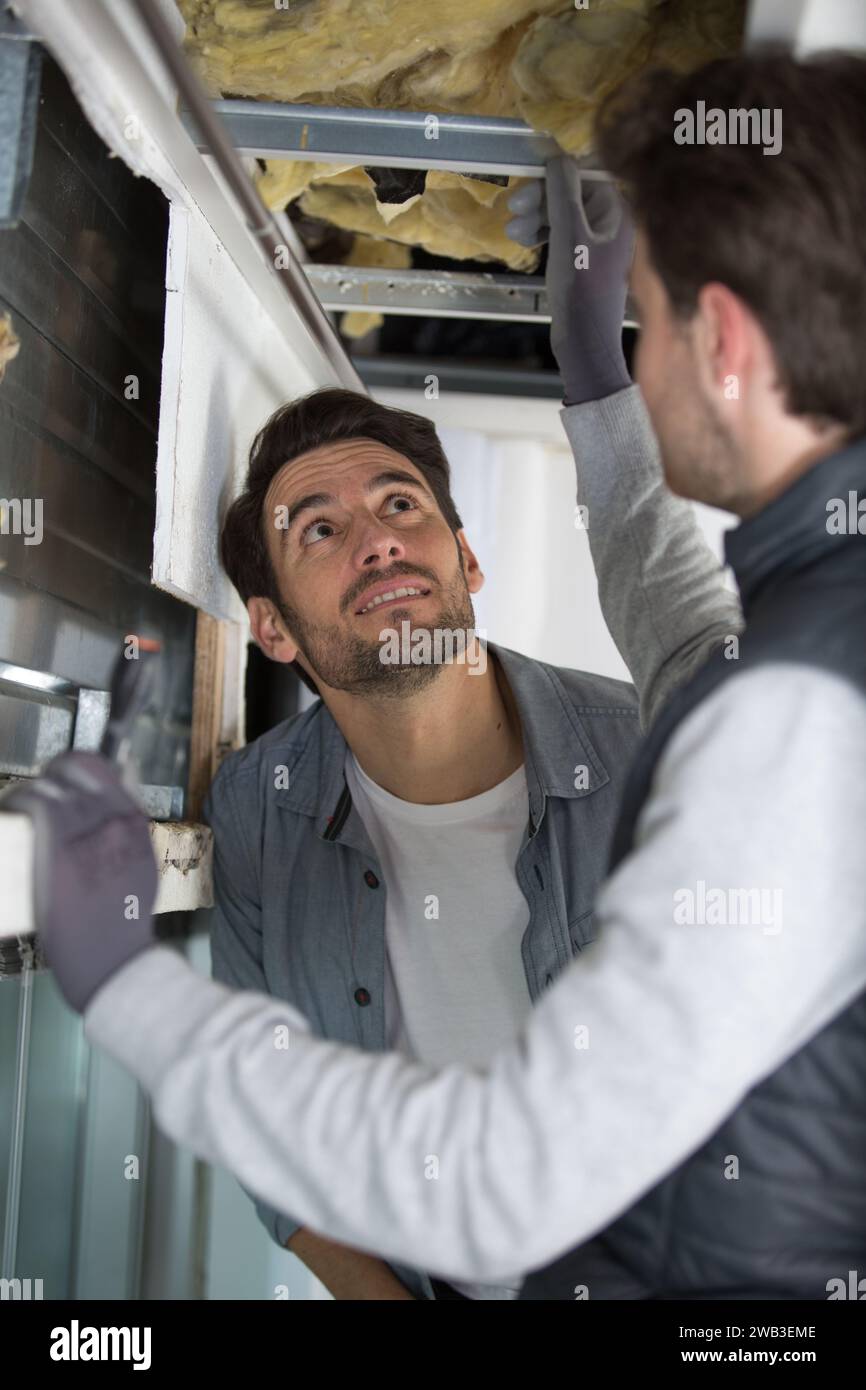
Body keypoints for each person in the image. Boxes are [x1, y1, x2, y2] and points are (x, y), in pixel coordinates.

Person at [6, 49, 866, 1300]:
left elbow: (497, 1179)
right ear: (271, 627)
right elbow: (676, 610)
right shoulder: (801, 635)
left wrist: (132, 989)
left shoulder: (771, 718)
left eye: (655, 311)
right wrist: (597, 377)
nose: (374, 540)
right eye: (317, 529)